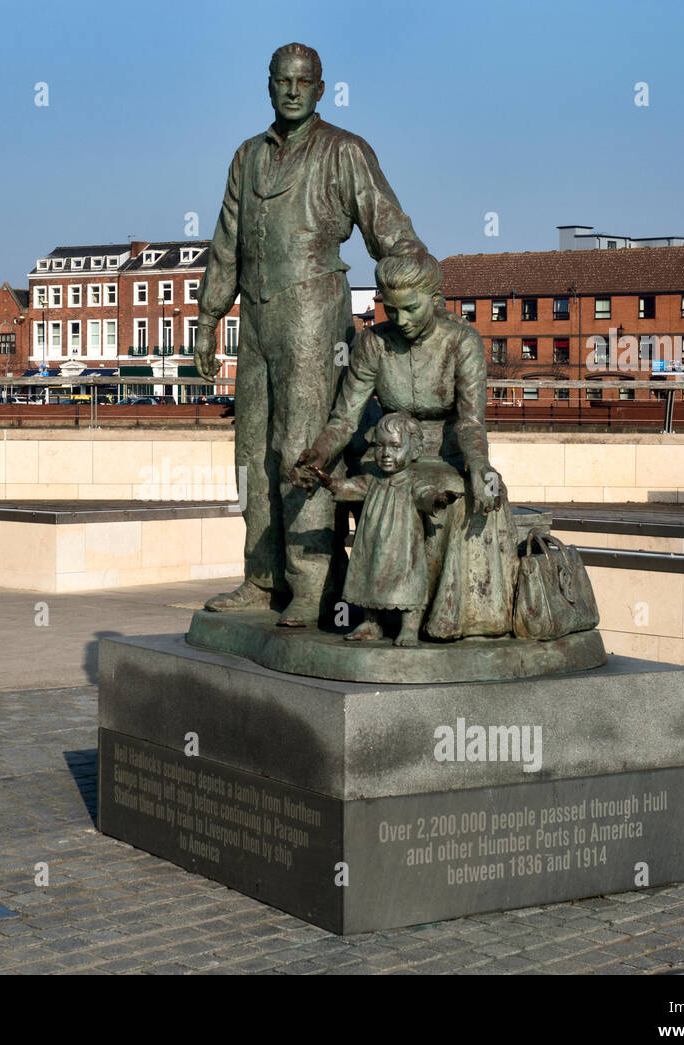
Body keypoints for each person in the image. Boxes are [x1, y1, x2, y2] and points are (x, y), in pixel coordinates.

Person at [193, 42, 425, 627]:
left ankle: (313, 582)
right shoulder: (246, 158)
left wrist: (418, 300)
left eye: (304, 81)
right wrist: (208, 317)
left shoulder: (345, 151)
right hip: (257, 322)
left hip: (314, 314)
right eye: (282, 81)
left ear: (321, 88)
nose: (292, 90)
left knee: (302, 446)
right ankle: (261, 575)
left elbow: (390, 230)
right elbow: (226, 243)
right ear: (268, 86)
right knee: (251, 450)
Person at [293, 250, 519, 639]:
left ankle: (445, 618)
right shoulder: (372, 343)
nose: (401, 320)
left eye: (411, 309)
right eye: (392, 311)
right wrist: (320, 454)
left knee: (458, 496)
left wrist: (480, 465)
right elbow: (345, 418)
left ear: (434, 299)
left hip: (447, 453)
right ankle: (380, 615)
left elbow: (470, 421)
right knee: (384, 498)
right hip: (389, 455)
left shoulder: (463, 341)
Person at [309, 411, 462, 646]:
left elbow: (426, 495)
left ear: (415, 451)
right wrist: (329, 482)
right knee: (368, 577)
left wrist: (439, 499)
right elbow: (348, 488)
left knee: (408, 584)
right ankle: (372, 623)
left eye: (394, 446)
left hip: (403, 547)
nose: (385, 453)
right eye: (379, 446)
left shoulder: (412, 482)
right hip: (371, 545)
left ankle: (409, 627)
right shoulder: (372, 481)